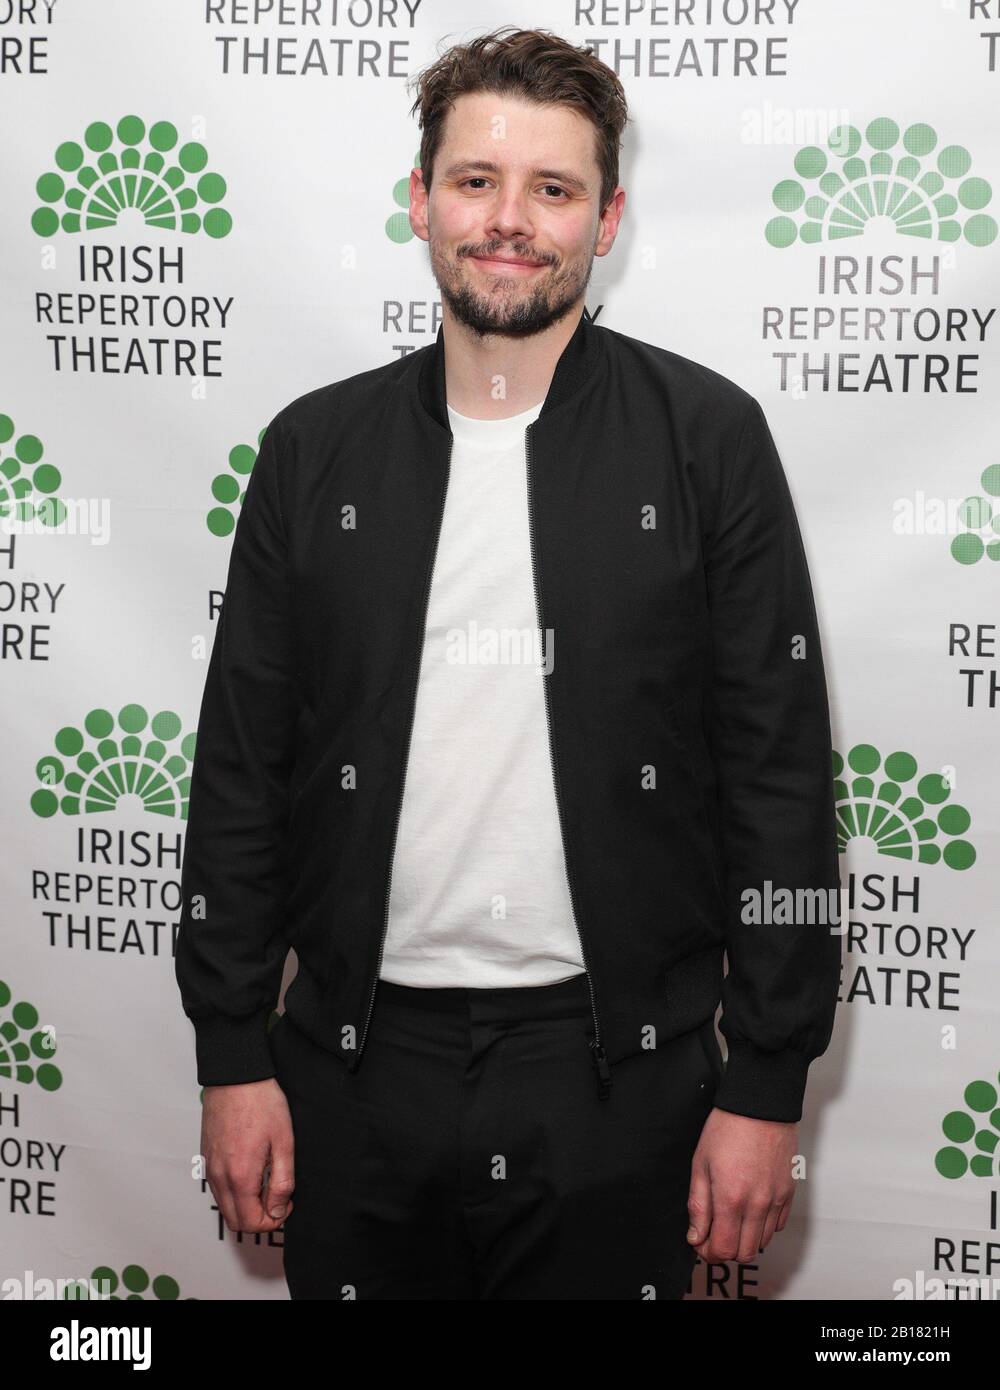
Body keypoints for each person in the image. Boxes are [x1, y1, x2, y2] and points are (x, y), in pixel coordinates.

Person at [175, 24, 842, 1301]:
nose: (509, 220)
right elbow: (244, 769)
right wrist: (229, 1049)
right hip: (350, 1065)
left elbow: (780, 785)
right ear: (420, 199)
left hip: (618, 1074)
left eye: (553, 188)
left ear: (607, 220)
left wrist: (764, 1082)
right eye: (476, 180)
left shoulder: (709, 442)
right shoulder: (314, 454)